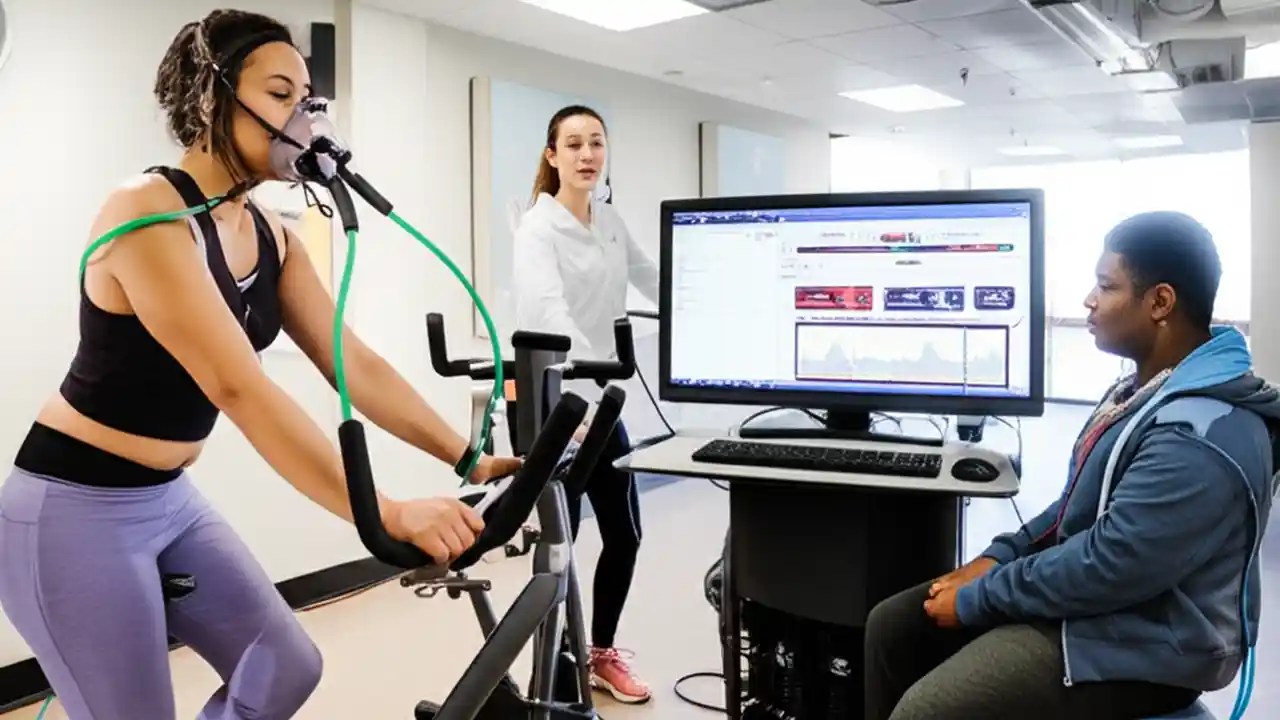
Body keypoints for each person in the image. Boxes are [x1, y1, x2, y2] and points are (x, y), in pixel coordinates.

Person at [0, 10, 520, 720]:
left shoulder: (273, 237)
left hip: (166, 499)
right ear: (213, 98)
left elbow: (353, 364)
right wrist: (388, 512)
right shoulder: (147, 212)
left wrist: (470, 458)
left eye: (307, 97)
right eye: (280, 94)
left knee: (284, 664)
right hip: (70, 507)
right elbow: (238, 386)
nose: (303, 115)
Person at [863, 211, 1279, 720]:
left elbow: (1110, 565)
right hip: (1102, 613)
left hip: (1147, 648)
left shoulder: (1201, 435)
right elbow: (1073, 512)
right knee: (894, 626)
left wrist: (982, 596)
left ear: (1160, 303)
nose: (1089, 299)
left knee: (928, 709)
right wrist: (1000, 555)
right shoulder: (1140, 394)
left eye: (1106, 286)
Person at [512, 104, 660, 704]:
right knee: (561, 544)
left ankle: (599, 652)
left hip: (604, 405)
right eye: (573, 144)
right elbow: (549, 313)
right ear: (552, 156)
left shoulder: (613, 222)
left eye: (596, 142)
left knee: (624, 534)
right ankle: (555, 658)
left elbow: (655, 279)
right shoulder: (536, 228)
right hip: (561, 407)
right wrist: (580, 402)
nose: (586, 155)